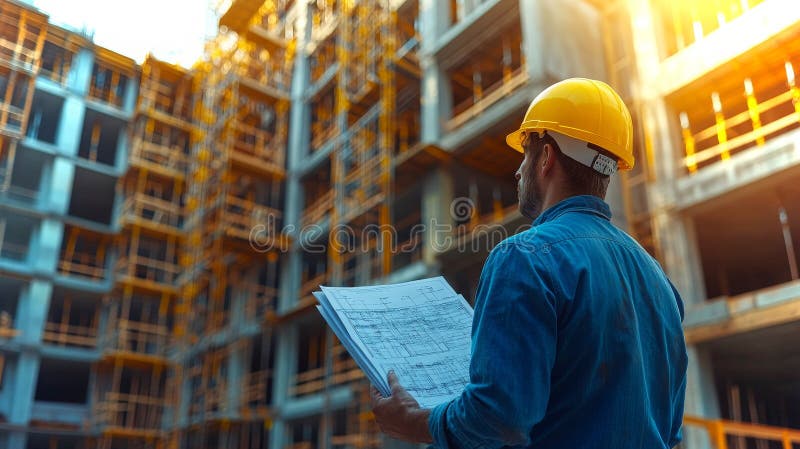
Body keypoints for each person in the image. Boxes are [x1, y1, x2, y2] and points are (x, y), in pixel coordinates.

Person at [370, 78, 688, 449]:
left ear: (547, 158)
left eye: (525, 154)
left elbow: (498, 419)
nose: (518, 171)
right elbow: (670, 429)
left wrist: (413, 423)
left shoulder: (523, 258)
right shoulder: (661, 283)